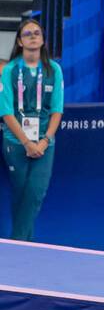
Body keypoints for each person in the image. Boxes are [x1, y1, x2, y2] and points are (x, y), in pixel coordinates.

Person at [0, 19, 64, 242]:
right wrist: (27, 143)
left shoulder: (53, 69)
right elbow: (6, 111)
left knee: (36, 193)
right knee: (20, 195)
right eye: (28, 34)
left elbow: (57, 109)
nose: (33, 37)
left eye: (37, 33)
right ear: (19, 41)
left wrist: (44, 141)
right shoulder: (9, 70)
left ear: (43, 39)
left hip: (45, 143)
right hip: (16, 142)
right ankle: (27, 246)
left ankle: (16, 244)